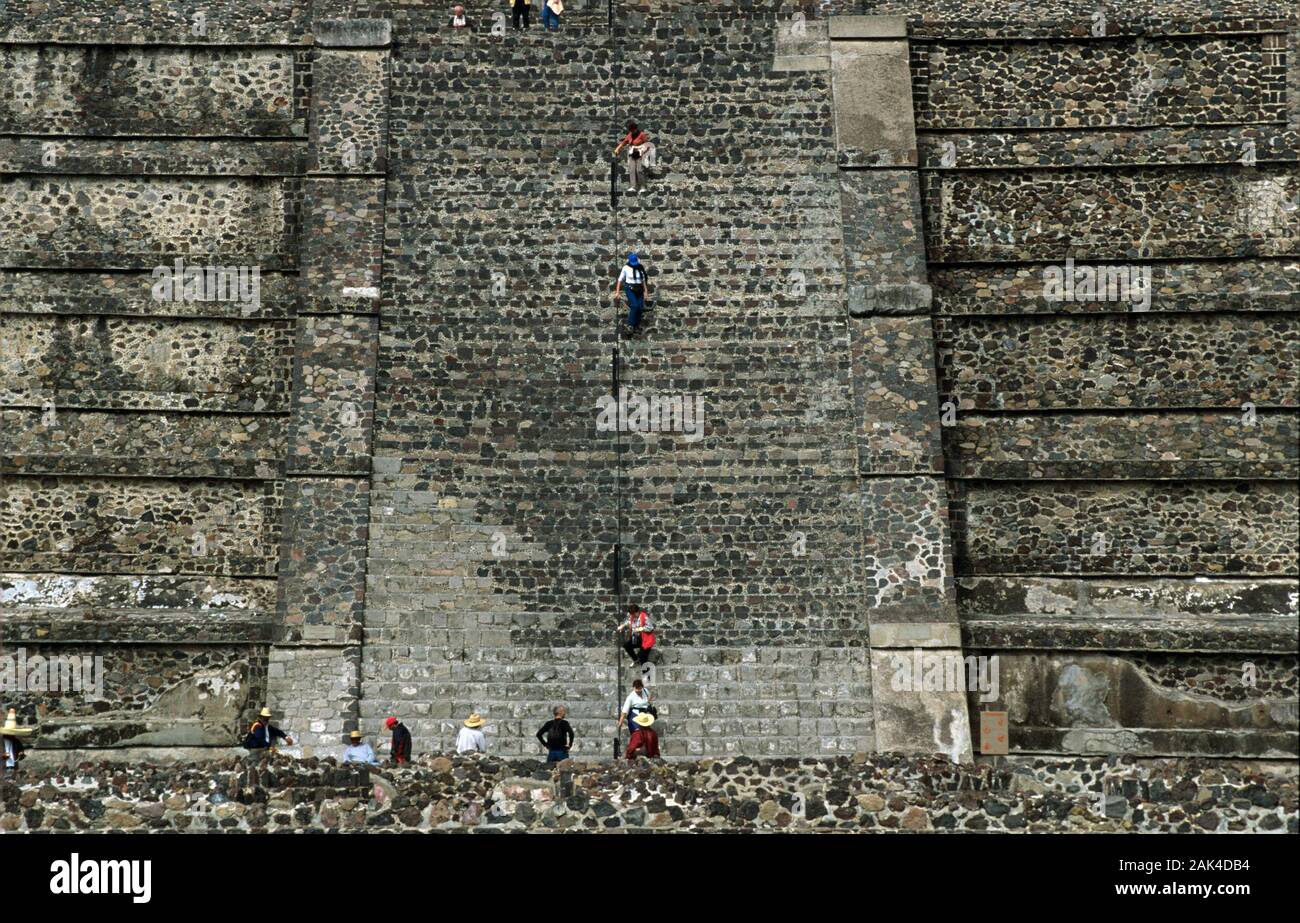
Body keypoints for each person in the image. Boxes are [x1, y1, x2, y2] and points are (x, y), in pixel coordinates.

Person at [613, 121, 654, 193]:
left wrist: (642, 151)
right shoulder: (630, 135)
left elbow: (647, 144)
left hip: (641, 154)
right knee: (632, 170)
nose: (632, 131)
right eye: (631, 130)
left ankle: (642, 187)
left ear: (636, 129)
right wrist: (617, 149)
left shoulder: (642, 135)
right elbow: (624, 143)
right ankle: (633, 186)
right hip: (632, 154)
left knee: (639, 170)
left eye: (633, 130)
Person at [615, 252, 649, 334]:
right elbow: (620, 280)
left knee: (640, 308)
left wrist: (646, 292)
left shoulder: (640, 267)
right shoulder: (626, 268)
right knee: (635, 305)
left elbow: (643, 281)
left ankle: (636, 326)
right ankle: (630, 325)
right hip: (629, 288)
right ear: (629, 261)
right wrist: (617, 292)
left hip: (639, 289)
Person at [2, 708, 33, 773]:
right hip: (2, 768)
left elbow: (21, 752)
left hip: (14, 767)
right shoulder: (1, 742)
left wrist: (21, 754)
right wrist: (3, 756)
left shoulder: (16, 741)